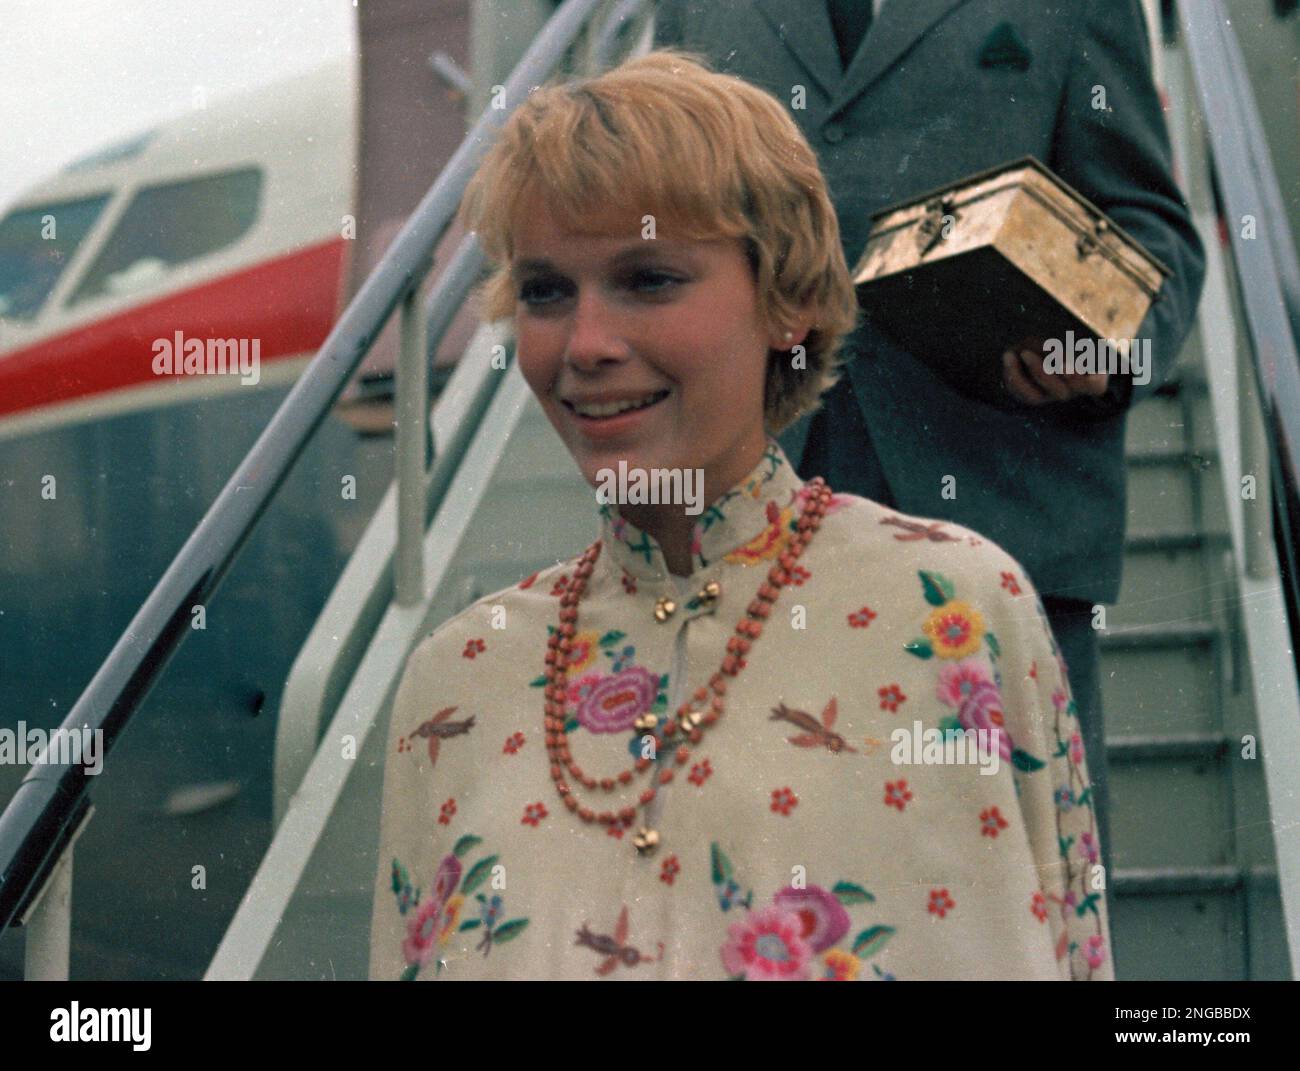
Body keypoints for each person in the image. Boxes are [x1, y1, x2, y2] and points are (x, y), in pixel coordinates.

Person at [369, 50, 1112, 981]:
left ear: (790, 301)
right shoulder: (455, 684)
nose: (587, 344)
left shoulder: (956, 611)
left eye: (648, 280)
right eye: (547, 291)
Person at [653, 0, 1208, 891]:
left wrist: (1098, 349)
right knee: (762, 902)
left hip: (1003, 526)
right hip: (746, 523)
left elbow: (1151, 228)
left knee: (1019, 906)